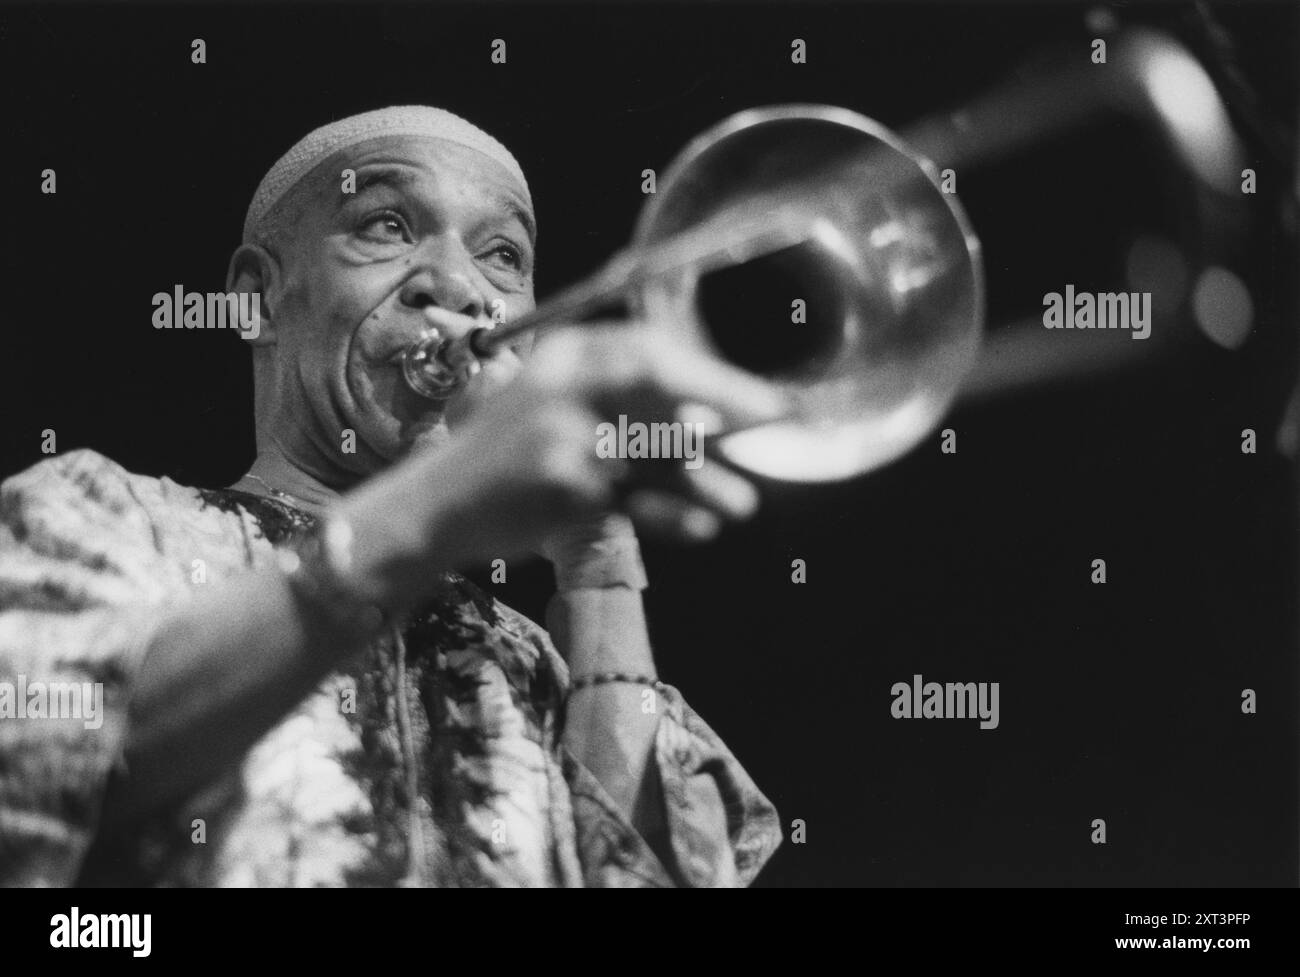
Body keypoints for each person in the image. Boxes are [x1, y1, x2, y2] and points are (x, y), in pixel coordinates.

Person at [0, 106, 784, 887]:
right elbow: (36, 766)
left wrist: (601, 563)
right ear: (255, 298)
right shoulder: (97, 513)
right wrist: (433, 508)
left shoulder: (540, 666)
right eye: (386, 225)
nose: (460, 287)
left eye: (503, 255)